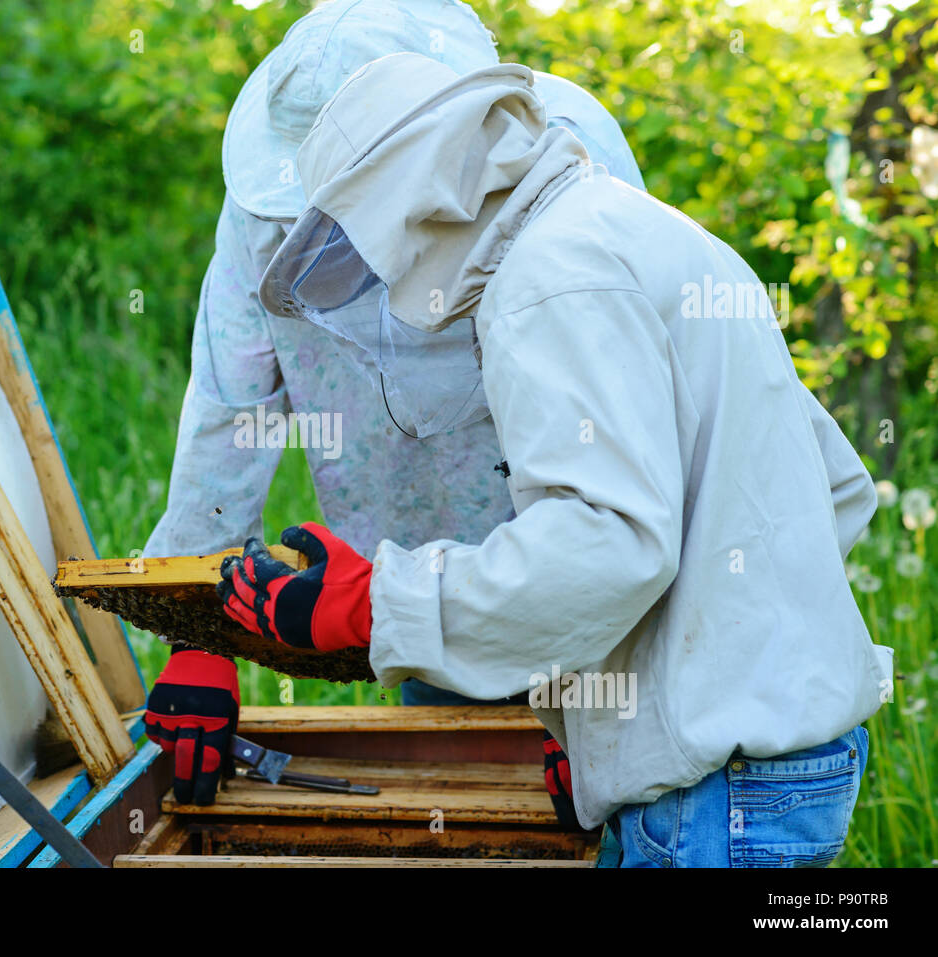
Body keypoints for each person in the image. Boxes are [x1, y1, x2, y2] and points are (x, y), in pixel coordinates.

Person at [217, 51, 892, 867]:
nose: (381, 272)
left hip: (718, 801)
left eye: (370, 242)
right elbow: (834, 488)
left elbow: (606, 544)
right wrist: (612, 727)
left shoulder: (546, 280)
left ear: (413, 202)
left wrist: (375, 604)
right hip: (781, 773)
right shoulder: (641, 231)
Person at [141, 0, 644, 816]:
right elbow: (234, 402)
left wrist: (596, 678)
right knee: (451, 798)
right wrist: (201, 635)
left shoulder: (564, 161)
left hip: (571, 556)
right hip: (410, 571)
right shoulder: (262, 215)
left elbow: (623, 442)